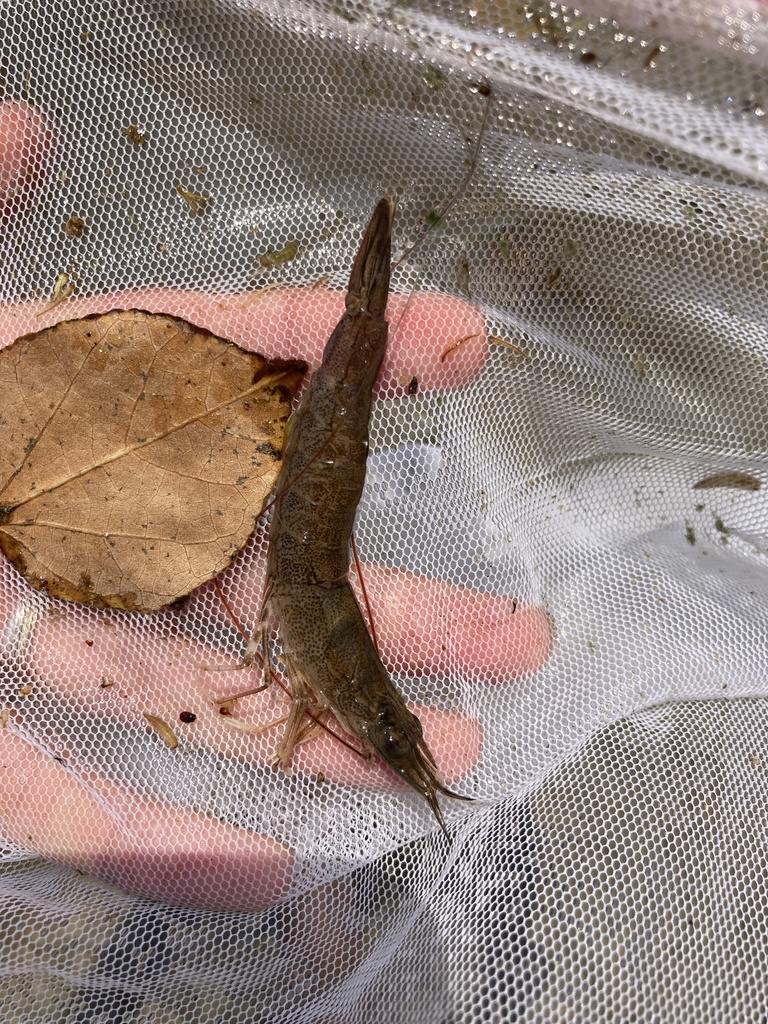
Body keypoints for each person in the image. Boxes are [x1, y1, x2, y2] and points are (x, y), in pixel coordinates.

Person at [0, 101, 552, 911]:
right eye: (388, 734)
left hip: (306, 541)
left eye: (388, 735)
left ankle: (368, 308)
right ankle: (368, 305)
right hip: (302, 545)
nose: (387, 738)